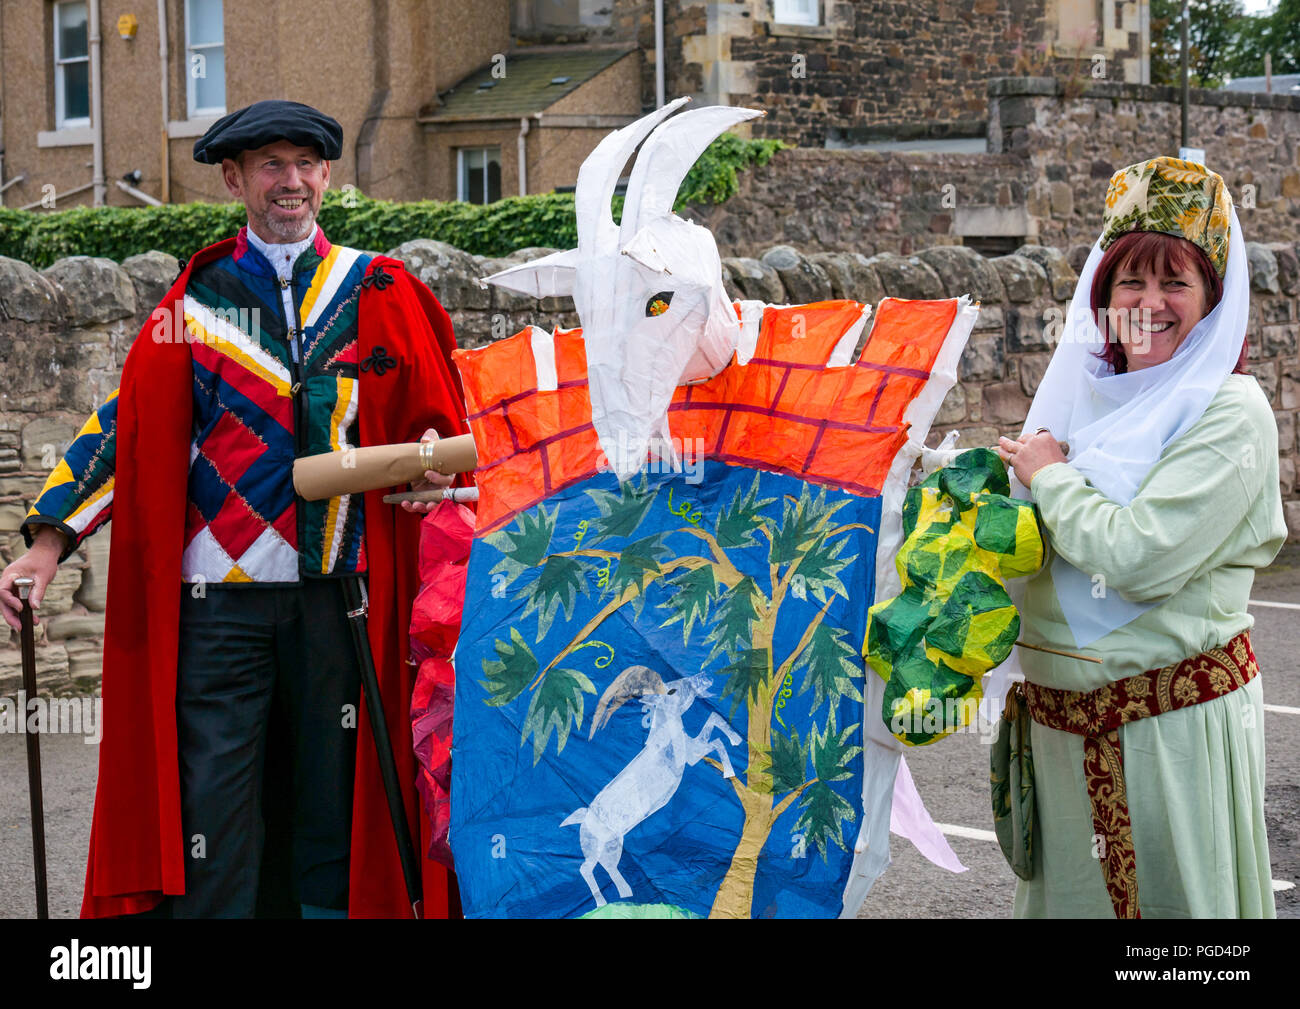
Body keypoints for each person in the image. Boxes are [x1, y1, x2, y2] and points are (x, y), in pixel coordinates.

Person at [0, 100, 468, 919]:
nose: (291, 181)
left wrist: (446, 482)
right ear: (235, 178)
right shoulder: (198, 299)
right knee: (212, 815)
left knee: (335, 809)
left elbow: (447, 423)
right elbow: (130, 426)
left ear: (327, 175)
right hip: (219, 611)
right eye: (271, 166)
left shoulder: (379, 288)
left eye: (305, 165)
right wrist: (48, 542)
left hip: (341, 600)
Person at [995, 156, 1286, 918]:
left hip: (1169, 739)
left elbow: (1138, 557)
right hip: (1062, 738)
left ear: (1214, 303)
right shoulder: (1084, 399)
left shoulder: (1230, 412)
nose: (1149, 303)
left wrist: (1051, 477)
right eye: (1132, 282)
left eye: (1175, 284)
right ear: (1103, 295)